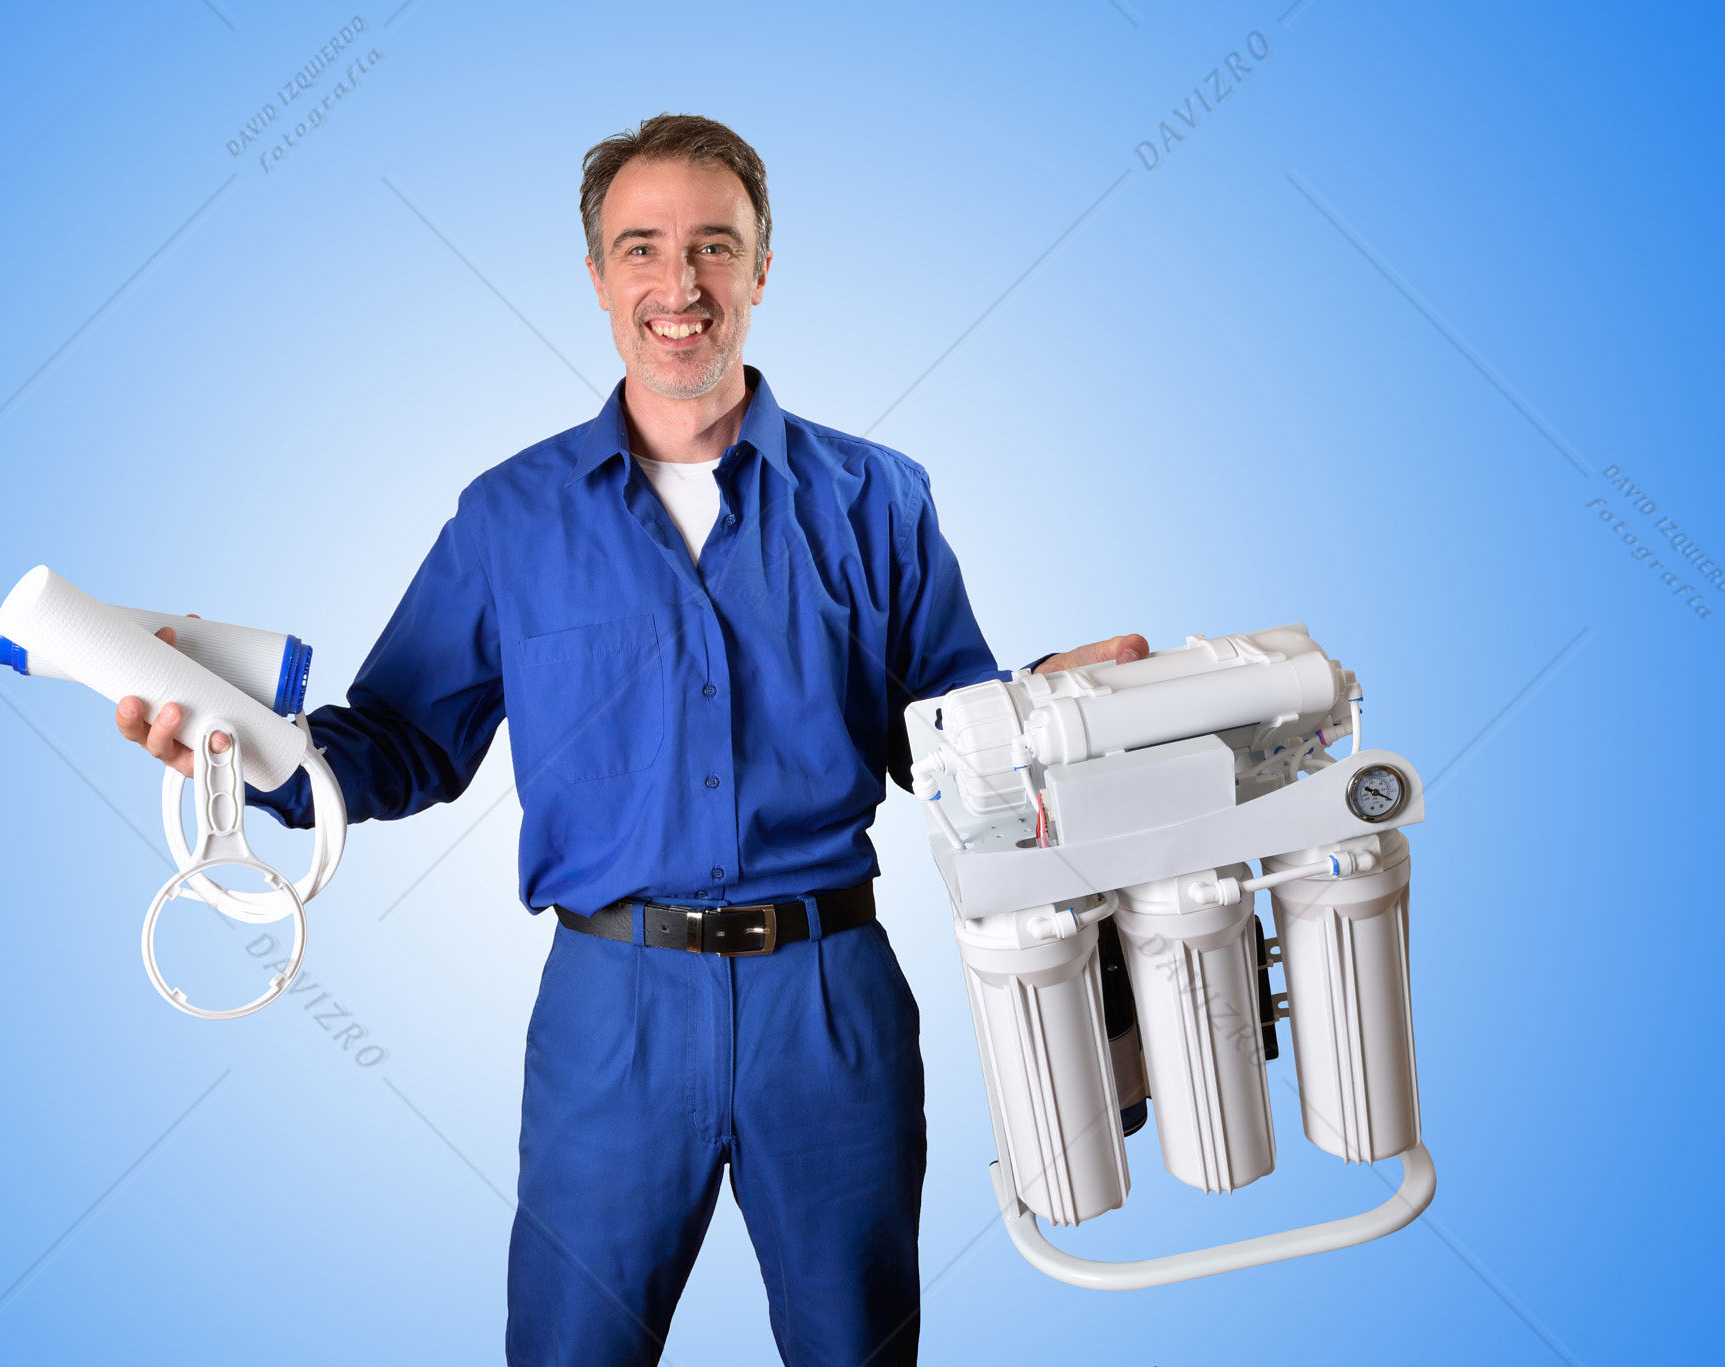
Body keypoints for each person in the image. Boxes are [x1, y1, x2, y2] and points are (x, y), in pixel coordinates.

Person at [118, 114, 1145, 1366]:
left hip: (828, 1001)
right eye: (642, 248)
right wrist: (242, 753)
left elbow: (946, 734)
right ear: (600, 277)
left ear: (761, 269)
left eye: (715, 247)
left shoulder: (878, 498)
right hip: (610, 1012)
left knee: (856, 1351)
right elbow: (399, 743)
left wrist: (1053, 704)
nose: (681, 285)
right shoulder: (509, 516)